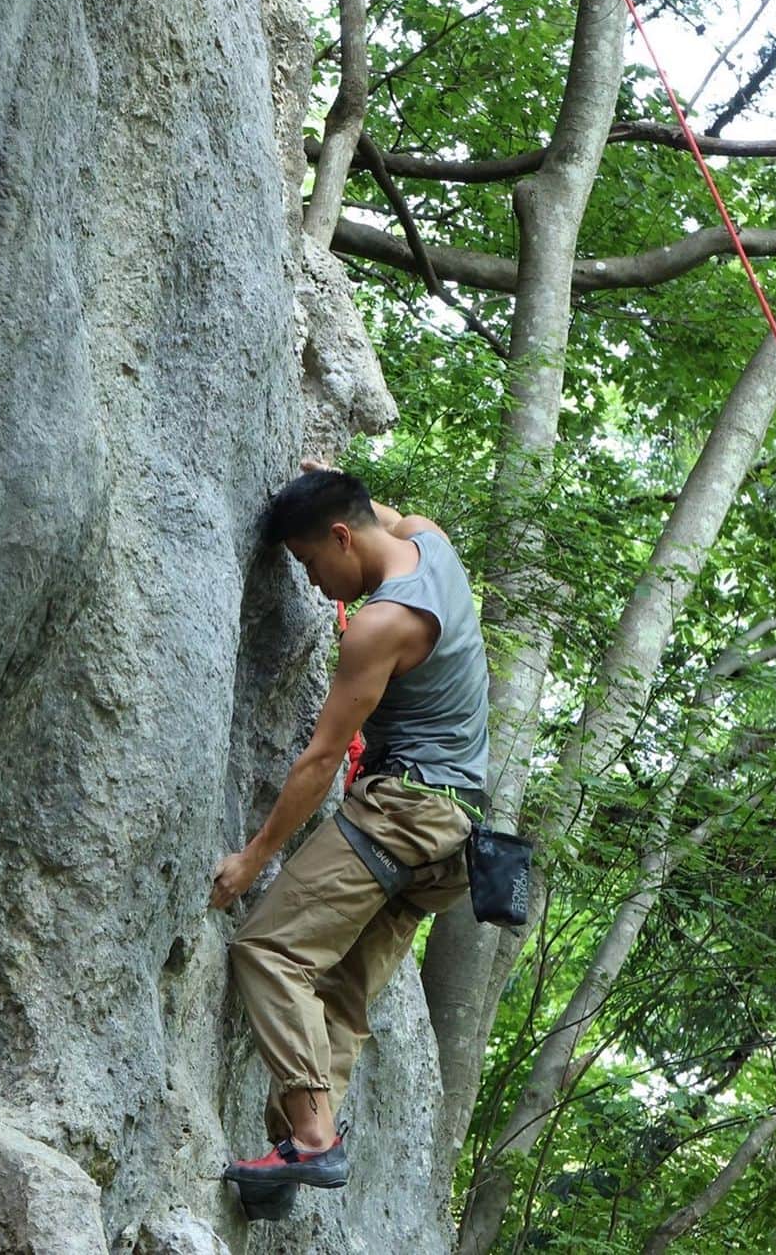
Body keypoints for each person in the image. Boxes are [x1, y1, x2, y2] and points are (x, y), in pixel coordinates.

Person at [210, 464, 490, 1205]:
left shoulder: (381, 623)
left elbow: (323, 757)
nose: (310, 581)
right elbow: (387, 517)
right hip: (455, 838)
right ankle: (286, 1161)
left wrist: (253, 857)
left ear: (340, 536)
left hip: (401, 815)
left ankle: (311, 1142)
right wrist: (324, 479)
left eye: (309, 562)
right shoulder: (433, 548)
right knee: (338, 995)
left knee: (270, 949)